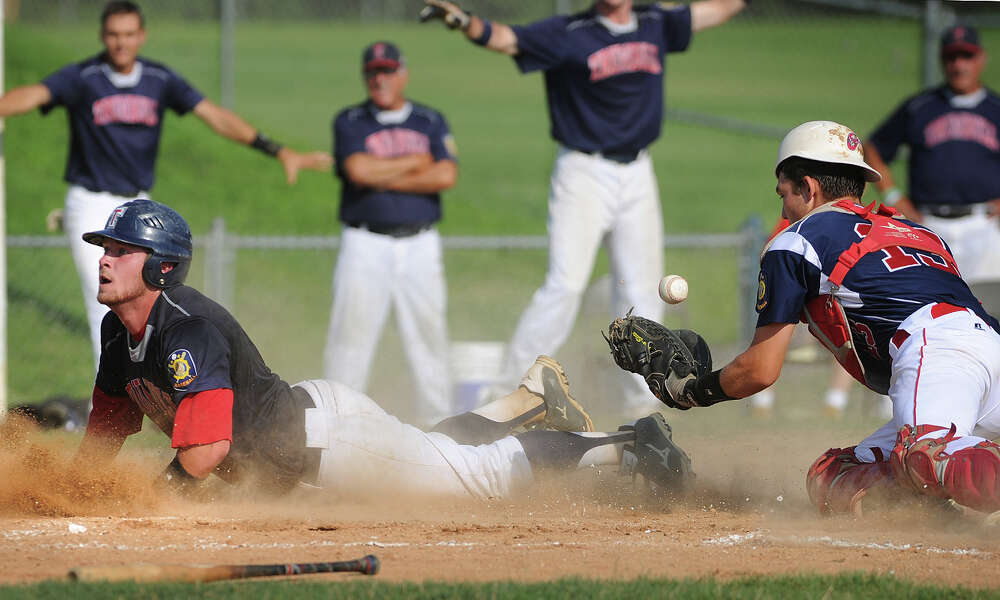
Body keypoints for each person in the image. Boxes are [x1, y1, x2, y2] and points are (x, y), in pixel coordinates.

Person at [75, 198, 693, 504]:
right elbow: (108, 425)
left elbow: (205, 451)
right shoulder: (118, 332)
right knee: (436, 452)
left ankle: (630, 447)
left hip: (326, 446)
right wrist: (75, 488)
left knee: (478, 479)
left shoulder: (188, 330)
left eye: (119, 250)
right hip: (312, 434)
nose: (104, 258)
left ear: (159, 267)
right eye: (104, 246)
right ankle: (526, 403)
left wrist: (149, 504)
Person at [629, 120, 1000, 516]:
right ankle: (932, 514)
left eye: (784, 194)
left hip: (934, 348)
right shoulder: (923, 234)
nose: (783, 209)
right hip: (986, 348)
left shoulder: (797, 240)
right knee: (834, 477)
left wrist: (691, 391)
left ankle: (942, 472)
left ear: (809, 187)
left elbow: (760, 370)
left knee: (925, 455)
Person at [0, 0, 332, 367]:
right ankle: (108, 405)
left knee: (146, 301)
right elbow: (31, 95)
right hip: (92, 201)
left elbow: (214, 116)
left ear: (141, 36)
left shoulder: (159, 80)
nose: (120, 42)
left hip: (137, 207)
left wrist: (276, 150)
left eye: (128, 34)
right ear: (102, 36)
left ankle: (146, 389)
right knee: (107, 300)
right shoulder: (85, 77)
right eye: (113, 34)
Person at [419, 0, 748, 416]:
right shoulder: (570, 32)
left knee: (644, 287)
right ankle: (507, 390)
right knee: (565, 285)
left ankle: (643, 407)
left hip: (638, 170)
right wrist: (465, 21)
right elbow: (508, 39)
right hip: (583, 170)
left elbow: (709, 12)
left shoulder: (654, 23)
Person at [325, 42, 457, 425]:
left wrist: (383, 173)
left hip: (421, 243)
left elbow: (446, 175)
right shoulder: (350, 120)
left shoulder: (430, 120)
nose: (379, 79)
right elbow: (358, 172)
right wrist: (416, 163)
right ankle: (337, 422)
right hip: (365, 242)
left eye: (386, 71)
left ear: (403, 74)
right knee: (351, 337)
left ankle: (443, 426)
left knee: (430, 338)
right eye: (372, 72)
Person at [864, 24, 1000, 310]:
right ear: (942, 60)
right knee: (932, 307)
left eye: (966, 56)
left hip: (986, 224)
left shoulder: (995, 109)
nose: (959, 65)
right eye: (952, 57)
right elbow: (872, 148)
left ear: (981, 59)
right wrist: (894, 197)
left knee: (991, 308)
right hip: (929, 224)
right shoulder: (921, 107)